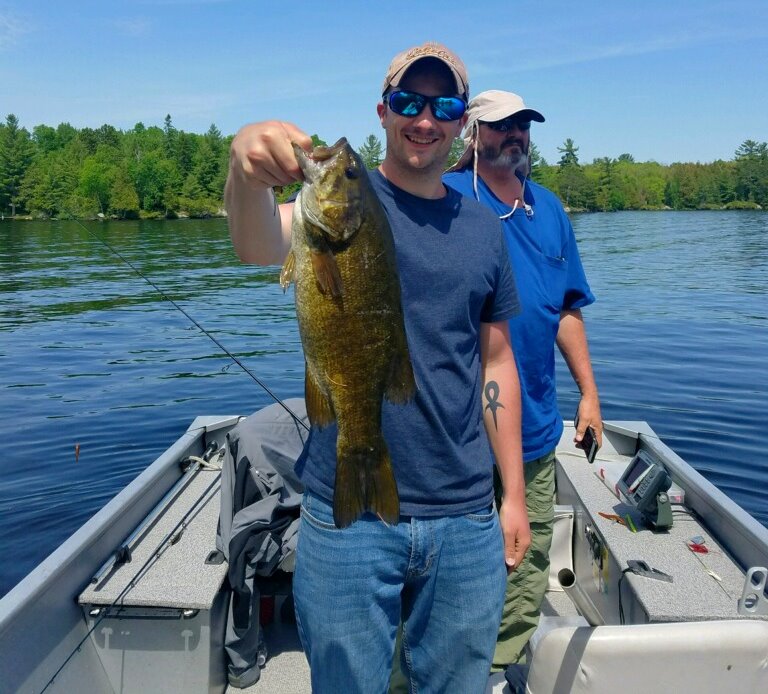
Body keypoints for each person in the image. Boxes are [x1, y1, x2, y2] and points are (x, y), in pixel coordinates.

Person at [225, 43, 531, 693]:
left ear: (462, 124)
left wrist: (515, 497)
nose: (425, 118)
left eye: (443, 105)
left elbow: (497, 362)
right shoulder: (340, 212)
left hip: (466, 514)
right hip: (348, 518)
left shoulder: (485, 229)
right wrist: (245, 171)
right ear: (384, 112)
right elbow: (254, 242)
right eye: (407, 102)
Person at [443, 90, 603, 672]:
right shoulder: (447, 198)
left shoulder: (550, 210)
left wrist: (588, 393)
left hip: (534, 423)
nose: (514, 134)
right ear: (472, 135)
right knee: (446, 561)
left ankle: (497, 667)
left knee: (528, 552)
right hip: (454, 431)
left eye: (522, 126)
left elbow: (565, 310)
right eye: (500, 125)